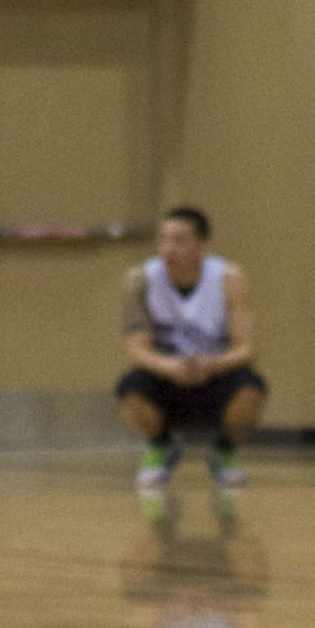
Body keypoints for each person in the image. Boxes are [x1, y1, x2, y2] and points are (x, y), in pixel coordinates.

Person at [115, 208, 260, 492]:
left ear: (202, 245)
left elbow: (247, 349)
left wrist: (210, 365)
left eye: (179, 241)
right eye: (164, 240)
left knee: (251, 391)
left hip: (215, 372)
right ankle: (160, 447)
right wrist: (171, 367)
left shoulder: (229, 278)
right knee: (130, 389)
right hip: (166, 373)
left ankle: (224, 453)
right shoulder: (139, 280)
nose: (169, 249)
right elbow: (136, 349)